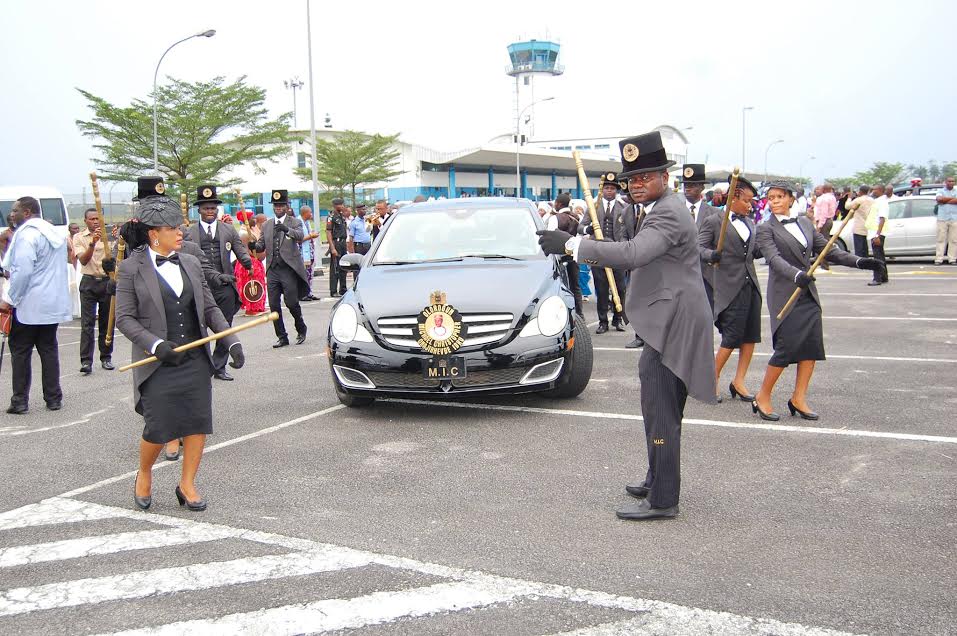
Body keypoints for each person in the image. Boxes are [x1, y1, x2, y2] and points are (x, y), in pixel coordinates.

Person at [537, 131, 716, 521]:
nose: (636, 185)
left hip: (674, 322)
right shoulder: (660, 206)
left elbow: (635, 254)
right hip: (670, 317)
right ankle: (657, 477)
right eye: (631, 180)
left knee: (661, 406)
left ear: (664, 178)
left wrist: (571, 245)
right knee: (660, 405)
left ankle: (663, 499)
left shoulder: (667, 210)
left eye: (645, 177)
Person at [115, 194, 245, 512]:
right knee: (158, 426)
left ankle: (187, 483)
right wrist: (156, 345)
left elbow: (209, 306)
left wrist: (231, 342)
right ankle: (144, 473)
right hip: (157, 362)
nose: (180, 233)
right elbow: (124, 319)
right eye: (173, 228)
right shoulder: (131, 268)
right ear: (153, 233)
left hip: (194, 359)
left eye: (181, 227)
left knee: (197, 422)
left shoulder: (188, 261)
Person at [751, 181, 883, 421]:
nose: (775, 201)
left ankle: (798, 397)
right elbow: (773, 258)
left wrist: (860, 262)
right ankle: (763, 395)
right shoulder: (765, 228)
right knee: (785, 348)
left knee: (810, 347)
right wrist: (797, 274)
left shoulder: (804, 222)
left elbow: (828, 250)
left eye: (780, 197)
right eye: (771, 198)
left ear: (791, 199)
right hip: (784, 294)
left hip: (807, 293)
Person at [2, 195, 73, 414]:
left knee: (21, 352)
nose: (11, 215)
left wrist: (9, 298)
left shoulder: (27, 235)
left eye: (15, 210)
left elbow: (23, 272)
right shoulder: (54, 233)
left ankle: (20, 401)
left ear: (27, 212)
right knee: (49, 349)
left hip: (30, 303)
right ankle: (53, 398)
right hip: (51, 303)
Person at [699, 175, 763, 404]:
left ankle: (739, 381)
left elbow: (752, 252)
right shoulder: (714, 219)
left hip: (751, 285)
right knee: (732, 335)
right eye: (746, 200)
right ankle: (710, 379)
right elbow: (699, 247)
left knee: (750, 336)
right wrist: (710, 255)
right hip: (728, 286)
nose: (750, 205)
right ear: (734, 197)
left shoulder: (750, 222)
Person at [183, 185, 253, 381]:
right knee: (198, 327)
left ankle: (219, 366)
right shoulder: (188, 232)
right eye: (206, 208)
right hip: (199, 287)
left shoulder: (228, 230)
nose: (210, 212)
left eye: (213, 208)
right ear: (199, 210)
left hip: (225, 286)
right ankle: (201, 365)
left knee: (225, 326)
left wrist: (249, 264)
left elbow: (240, 251)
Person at [249, 190, 309, 348]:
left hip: (288, 268)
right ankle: (282, 336)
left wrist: (286, 229)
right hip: (273, 269)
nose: (278, 208)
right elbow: (262, 245)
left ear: (287, 206)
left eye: (281, 205)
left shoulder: (294, 221)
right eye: (276, 205)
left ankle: (301, 328)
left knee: (291, 302)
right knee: (274, 305)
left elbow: (300, 236)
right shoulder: (267, 224)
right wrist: (254, 245)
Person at [73, 207, 117, 374]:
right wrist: (93, 243)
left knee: (107, 323)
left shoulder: (110, 235)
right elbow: (83, 260)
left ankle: (106, 357)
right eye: (92, 219)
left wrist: (116, 238)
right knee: (87, 324)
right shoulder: (79, 237)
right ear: (86, 221)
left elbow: (115, 257)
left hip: (107, 282)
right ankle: (86, 361)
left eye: (98, 218)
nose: (96, 221)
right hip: (89, 281)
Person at [581, 176, 627, 334]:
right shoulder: (594, 206)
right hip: (598, 253)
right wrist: (587, 230)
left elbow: (629, 229)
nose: (609, 191)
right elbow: (581, 226)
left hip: (618, 252)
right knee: (601, 289)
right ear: (603, 189)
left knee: (620, 288)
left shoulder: (624, 207)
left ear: (616, 190)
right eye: (606, 188)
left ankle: (617, 319)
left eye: (612, 188)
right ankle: (602, 322)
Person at [682, 164, 719, 310]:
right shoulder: (673, 211)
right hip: (680, 275)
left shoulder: (714, 213)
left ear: (702, 188)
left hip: (706, 276)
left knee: (705, 317)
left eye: (692, 185)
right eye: (686, 185)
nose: (687, 188)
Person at [866, 184, 891, 286]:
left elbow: (882, 219)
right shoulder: (877, 201)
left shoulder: (882, 202)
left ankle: (877, 278)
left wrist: (877, 235)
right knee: (880, 255)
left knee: (877, 257)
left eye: (874, 189)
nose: (873, 191)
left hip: (877, 233)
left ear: (880, 190)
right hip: (874, 232)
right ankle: (884, 276)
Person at [327, 198, 349, 296]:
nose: (343, 206)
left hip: (343, 243)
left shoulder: (341, 216)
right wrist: (332, 248)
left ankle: (343, 289)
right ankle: (333, 290)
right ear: (336, 205)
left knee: (344, 266)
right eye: (341, 205)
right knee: (335, 268)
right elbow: (328, 232)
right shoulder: (331, 217)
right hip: (337, 243)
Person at [298, 206, 320, 300]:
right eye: (310, 212)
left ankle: (308, 292)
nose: (311, 214)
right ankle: (302, 294)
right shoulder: (298, 223)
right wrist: (311, 236)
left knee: (310, 273)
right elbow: (298, 239)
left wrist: (312, 235)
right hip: (301, 253)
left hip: (309, 252)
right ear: (305, 213)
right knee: (303, 273)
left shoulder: (307, 223)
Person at [845, 185, 874, 258]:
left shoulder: (858, 200)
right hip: (868, 224)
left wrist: (849, 198)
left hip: (859, 226)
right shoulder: (871, 200)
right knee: (865, 245)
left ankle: (860, 261)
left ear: (860, 191)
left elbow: (847, 206)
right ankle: (866, 259)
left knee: (859, 246)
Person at [934, 176, 957, 265]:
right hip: (942, 219)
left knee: (954, 240)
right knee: (941, 239)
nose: (951, 183)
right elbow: (939, 199)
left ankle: (952, 259)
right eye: (949, 181)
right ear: (946, 182)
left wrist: (945, 200)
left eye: (953, 181)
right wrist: (952, 200)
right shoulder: (941, 191)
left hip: (954, 218)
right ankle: (939, 259)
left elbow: (943, 200)